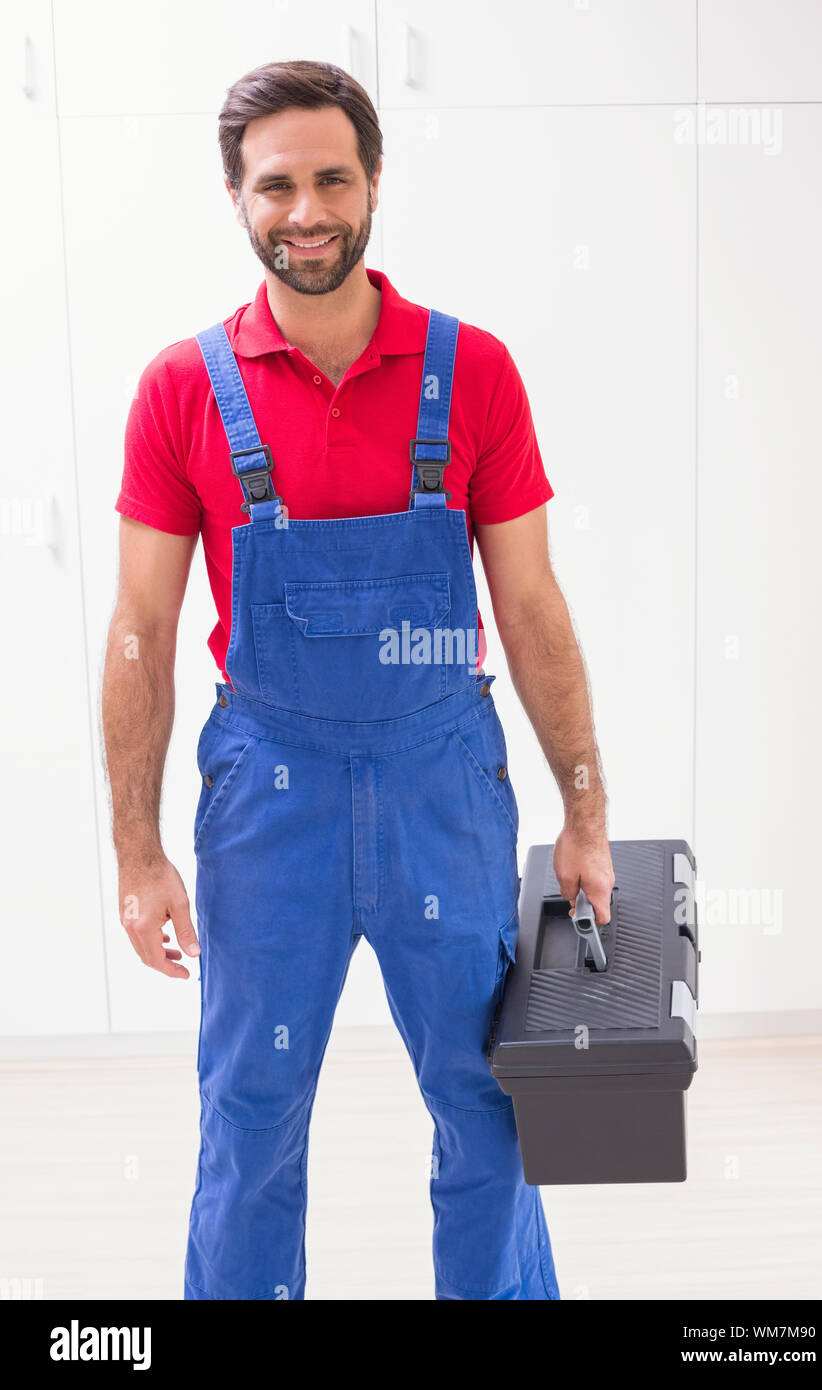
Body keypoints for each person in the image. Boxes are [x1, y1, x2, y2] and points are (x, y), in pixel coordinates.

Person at [101, 59, 614, 1302]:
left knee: (489, 1102)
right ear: (237, 196)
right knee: (250, 1114)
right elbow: (140, 630)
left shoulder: (472, 371)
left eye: (333, 177)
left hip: (443, 785)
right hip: (268, 802)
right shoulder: (182, 390)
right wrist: (136, 852)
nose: (308, 209)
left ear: (373, 181)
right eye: (276, 184)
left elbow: (531, 607)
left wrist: (584, 810)